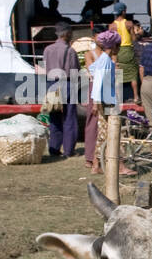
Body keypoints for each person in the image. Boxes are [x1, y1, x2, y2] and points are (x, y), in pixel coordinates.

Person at [43, 22, 81, 158]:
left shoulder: (47, 49)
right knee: (69, 117)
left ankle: (54, 148)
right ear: (66, 34)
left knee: (54, 116)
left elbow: (45, 67)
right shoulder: (70, 51)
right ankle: (69, 150)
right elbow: (75, 70)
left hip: (51, 84)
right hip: (67, 83)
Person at [86, 30, 120, 174]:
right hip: (106, 99)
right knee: (109, 131)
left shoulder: (103, 59)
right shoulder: (106, 60)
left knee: (103, 132)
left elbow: (92, 70)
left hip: (105, 98)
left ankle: (97, 163)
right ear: (113, 46)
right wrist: (96, 102)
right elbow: (98, 80)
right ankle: (100, 164)